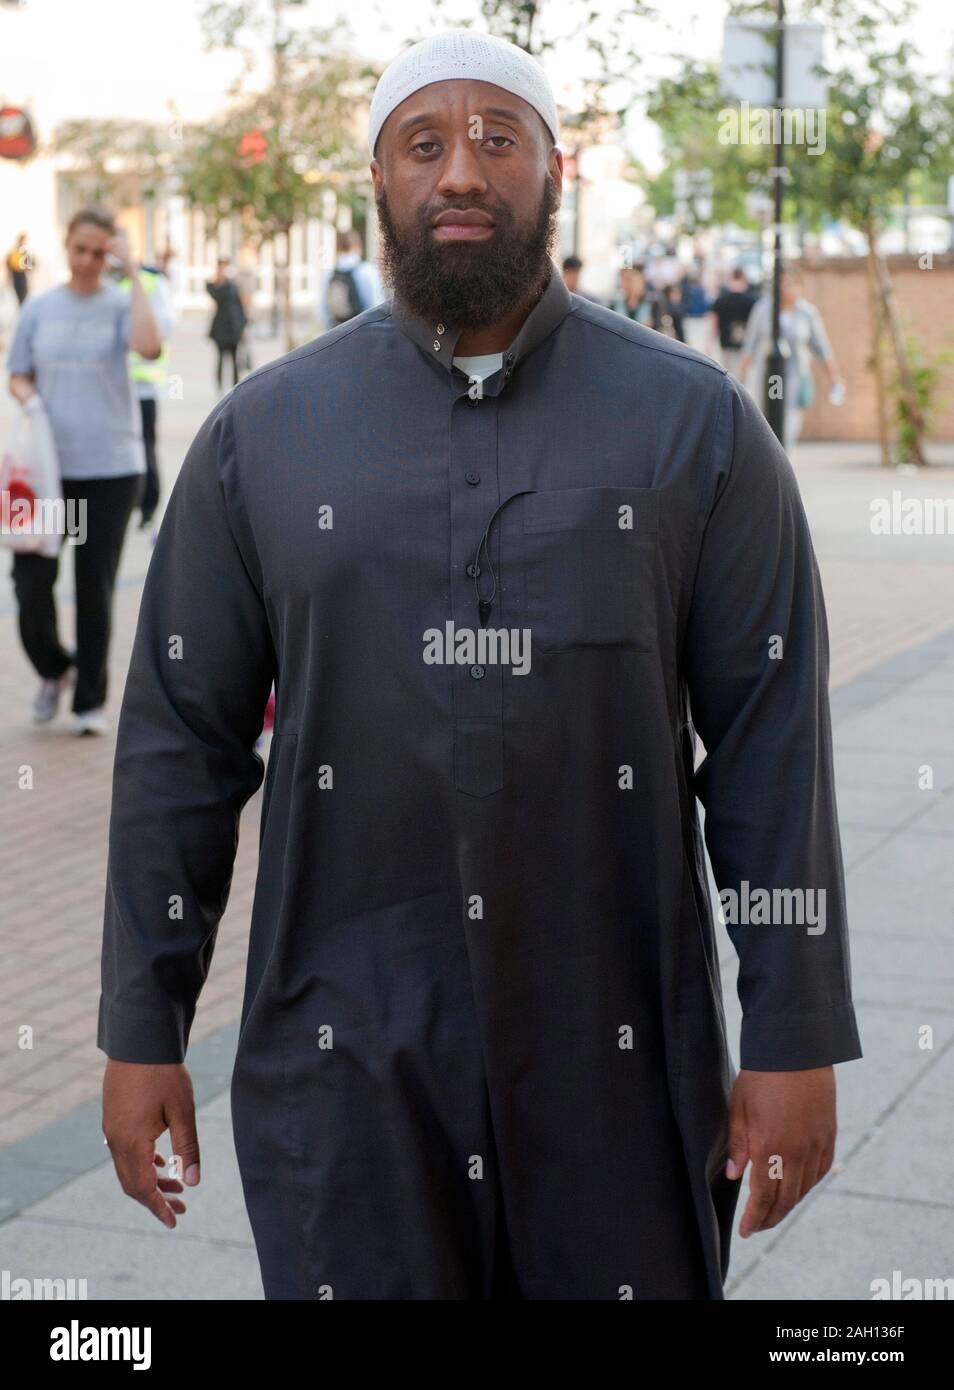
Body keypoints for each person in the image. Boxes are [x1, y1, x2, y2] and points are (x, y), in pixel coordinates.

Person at [98, 29, 861, 1300]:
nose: (463, 171)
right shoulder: (259, 441)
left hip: (617, 1056)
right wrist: (141, 1026)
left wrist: (792, 1033)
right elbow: (180, 744)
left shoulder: (695, 426)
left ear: (554, 172)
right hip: (345, 1068)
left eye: (499, 139)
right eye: (426, 143)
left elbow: (771, 745)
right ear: (380, 182)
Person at [6, 205, 162, 734]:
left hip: (109, 471)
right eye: (82, 250)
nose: (90, 261)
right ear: (66, 245)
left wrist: (134, 273)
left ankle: (89, 700)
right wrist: (30, 404)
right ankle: (55, 668)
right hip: (50, 475)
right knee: (31, 584)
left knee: (93, 587)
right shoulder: (41, 308)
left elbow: (150, 346)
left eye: (101, 252)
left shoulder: (120, 303)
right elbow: (18, 375)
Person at [738, 267, 845, 453]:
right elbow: (750, 345)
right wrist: (740, 377)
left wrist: (835, 379)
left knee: (788, 425)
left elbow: (822, 348)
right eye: (781, 283)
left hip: (795, 378)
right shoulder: (763, 309)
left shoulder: (807, 313)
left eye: (790, 284)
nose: (785, 288)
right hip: (770, 377)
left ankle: (782, 466)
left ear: (800, 287)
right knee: (766, 421)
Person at [112, 259, 175, 530]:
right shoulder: (108, 285)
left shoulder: (150, 282)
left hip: (144, 386)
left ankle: (147, 507)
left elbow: (164, 327)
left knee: (146, 447)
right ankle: (134, 505)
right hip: (115, 389)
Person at [320, 229, 384, 329]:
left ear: (337, 247)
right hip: (362, 333)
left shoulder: (328, 274)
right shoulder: (367, 270)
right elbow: (376, 306)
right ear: (358, 246)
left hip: (336, 333)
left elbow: (323, 311)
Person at [205, 259, 247, 391]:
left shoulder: (233, 286)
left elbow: (240, 307)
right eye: (220, 268)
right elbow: (215, 294)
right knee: (221, 359)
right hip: (220, 328)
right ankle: (219, 386)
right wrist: (218, 279)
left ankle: (236, 386)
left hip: (234, 327)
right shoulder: (213, 285)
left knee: (235, 360)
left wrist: (243, 327)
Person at [613, 262, 684, 340]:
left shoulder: (655, 301)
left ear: (642, 279)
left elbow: (673, 324)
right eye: (623, 279)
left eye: (630, 279)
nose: (626, 284)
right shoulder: (615, 303)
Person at [708, 266, 758, 376]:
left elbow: (713, 322)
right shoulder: (751, 301)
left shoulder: (721, 300)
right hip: (744, 344)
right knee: (742, 379)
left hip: (726, 343)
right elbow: (755, 325)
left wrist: (709, 344)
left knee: (728, 375)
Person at [5, 232, 32, 305]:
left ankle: (22, 308)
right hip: (19, 276)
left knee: (22, 297)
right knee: (22, 296)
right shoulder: (20, 252)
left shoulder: (16, 252)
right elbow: (9, 266)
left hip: (19, 276)